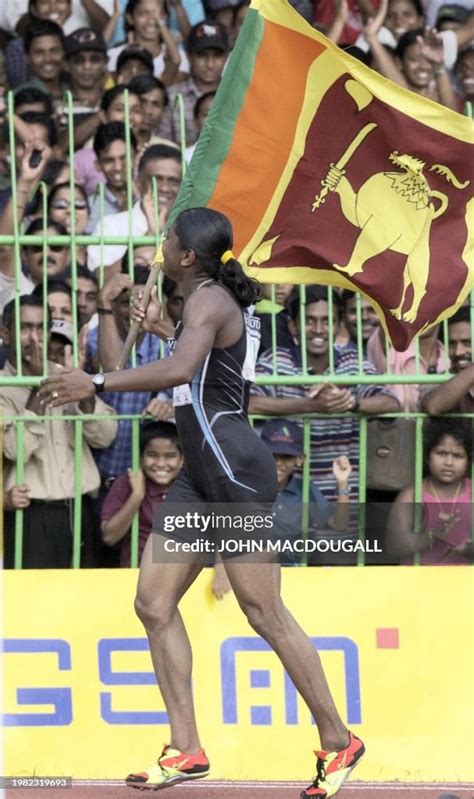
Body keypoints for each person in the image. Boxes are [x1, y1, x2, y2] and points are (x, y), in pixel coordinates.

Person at [39, 207, 365, 799]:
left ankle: (338, 738)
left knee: (264, 612)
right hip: (201, 477)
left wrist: (98, 382)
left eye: (167, 240)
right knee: (153, 602)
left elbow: (184, 370)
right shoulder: (203, 308)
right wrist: (163, 330)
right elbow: (229, 391)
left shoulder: (209, 300)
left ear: (187, 256)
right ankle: (186, 748)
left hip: (236, 477)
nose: (159, 246)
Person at [1, 295, 118, 568]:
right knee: (34, 603)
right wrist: (37, 385)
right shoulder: (3, 387)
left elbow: (105, 436)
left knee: (82, 600)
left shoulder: (68, 376)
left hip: (82, 509)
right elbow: (15, 450)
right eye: (25, 328)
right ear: (5, 334)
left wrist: (86, 391)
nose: (35, 337)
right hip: (31, 515)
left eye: (41, 328)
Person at [260, 419, 352, 566]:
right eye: (272, 455)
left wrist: (342, 482)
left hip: (296, 571)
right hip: (256, 571)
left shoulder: (304, 489)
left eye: (286, 456)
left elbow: (339, 524)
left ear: (299, 459)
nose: (278, 462)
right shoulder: (249, 487)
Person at [386, 418, 473, 564]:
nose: (448, 463)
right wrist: (434, 535)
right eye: (441, 453)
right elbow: (394, 546)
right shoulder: (412, 494)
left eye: (458, 455)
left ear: (468, 461)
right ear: (427, 457)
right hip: (419, 581)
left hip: (465, 581)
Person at [101, 420, 183, 566]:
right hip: (137, 573)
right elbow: (109, 537)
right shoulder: (128, 482)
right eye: (152, 455)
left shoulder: (192, 486)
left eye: (170, 456)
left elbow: (220, 531)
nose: (161, 464)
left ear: (182, 459)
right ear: (140, 457)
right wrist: (137, 496)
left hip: (184, 576)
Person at [420, 307, 474, 416]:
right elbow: (432, 407)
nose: (458, 352)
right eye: (452, 344)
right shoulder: (440, 379)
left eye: (467, 343)